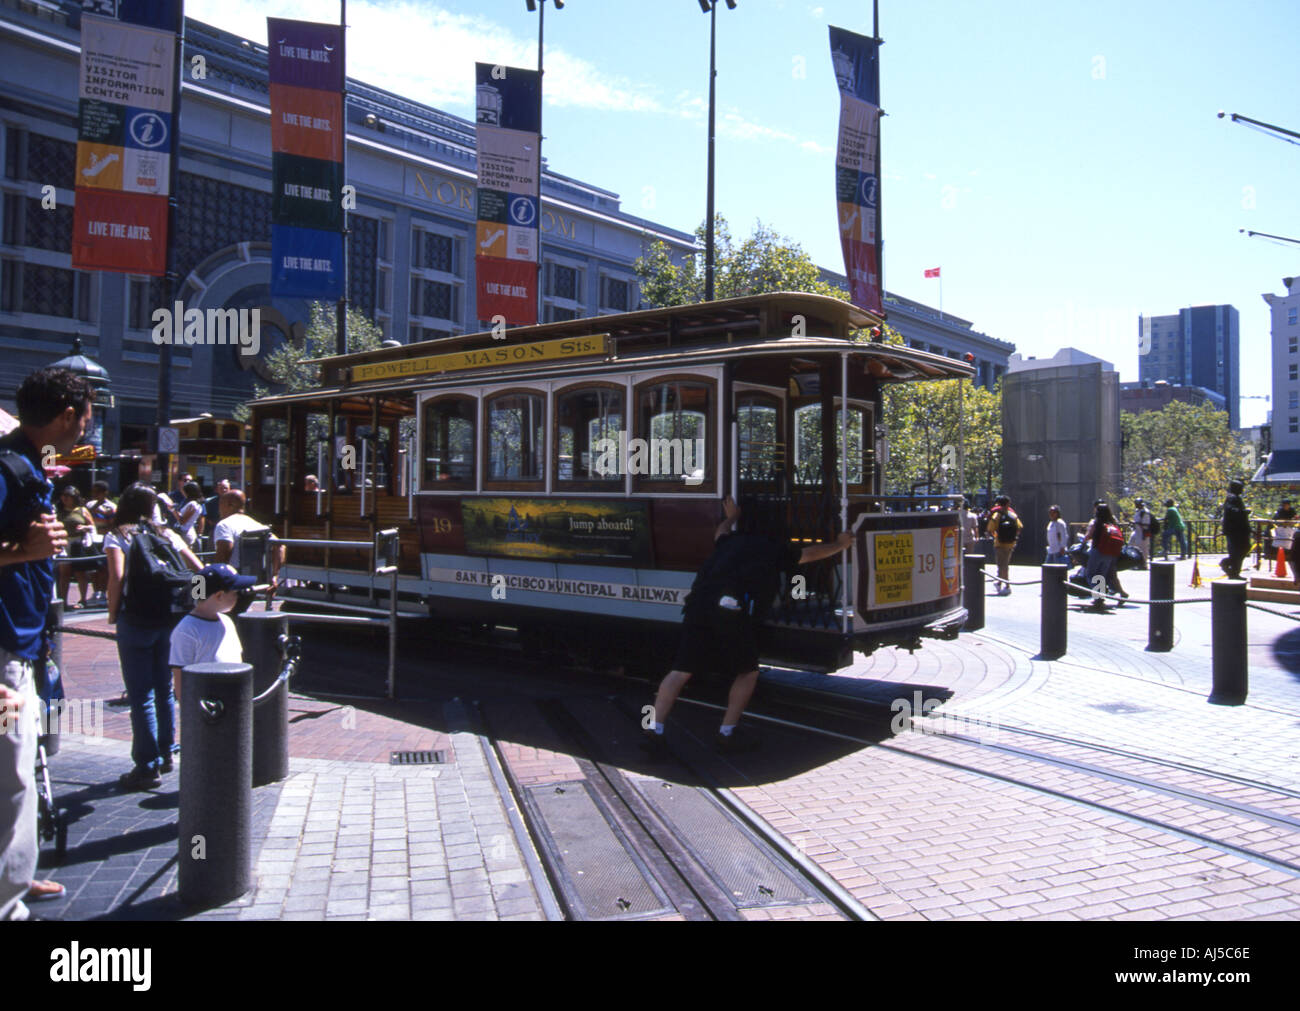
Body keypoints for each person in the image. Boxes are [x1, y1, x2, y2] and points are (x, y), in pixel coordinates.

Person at [646, 496, 854, 752]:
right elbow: (809, 554)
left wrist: (733, 516)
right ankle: (727, 733)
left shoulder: (730, 541)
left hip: (698, 603)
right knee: (747, 671)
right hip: (731, 609)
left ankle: (654, 729)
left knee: (681, 670)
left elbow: (720, 531)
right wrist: (840, 544)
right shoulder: (772, 548)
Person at [0, 367, 91, 922]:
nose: (86, 427)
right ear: (65, 415)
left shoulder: (27, 465)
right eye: (86, 416)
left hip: (23, 647)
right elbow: (20, 550)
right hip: (5, 652)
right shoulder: (7, 470)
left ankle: (14, 871)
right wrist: (21, 549)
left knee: (20, 771)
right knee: (10, 777)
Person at [105, 483, 203, 790]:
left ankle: (146, 767)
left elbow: (117, 578)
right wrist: (197, 603)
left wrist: (112, 613)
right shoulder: (167, 534)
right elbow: (199, 568)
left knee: (140, 694)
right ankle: (167, 752)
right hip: (171, 617)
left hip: (136, 619)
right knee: (164, 689)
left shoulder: (118, 535)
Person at [169, 563, 254, 705]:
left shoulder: (226, 621)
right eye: (234, 593)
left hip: (233, 701)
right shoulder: (186, 630)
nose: (238, 597)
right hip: (208, 709)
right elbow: (180, 684)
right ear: (219, 595)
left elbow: (237, 660)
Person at [212, 490, 283, 585]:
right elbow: (279, 546)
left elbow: (223, 554)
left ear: (230, 505)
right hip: (254, 579)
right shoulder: (256, 524)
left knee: (198, 588)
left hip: (232, 581)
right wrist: (274, 576)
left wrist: (216, 581)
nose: (218, 509)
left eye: (220, 504)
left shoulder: (224, 525)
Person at [55, 485, 95, 609]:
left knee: (80, 572)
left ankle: (83, 599)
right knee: (64, 574)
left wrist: (84, 528)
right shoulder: (58, 511)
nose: (65, 498)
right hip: (63, 543)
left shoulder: (82, 510)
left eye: (68, 496)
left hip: (77, 542)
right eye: (63, 495)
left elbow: (92, 526)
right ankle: (63, 601)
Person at [1082, 501, 1126, 608]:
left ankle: (1100, 596)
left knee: (1090, 574)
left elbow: (1088, 536)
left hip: (1098, 551)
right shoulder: (1111, 523)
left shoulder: (1097, 523)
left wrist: (1083, 541)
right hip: (1110, 553)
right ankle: (1099, 599)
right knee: (1100, 575)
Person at [85, 481, 115, 603]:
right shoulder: (90, 505)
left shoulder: (111, 507)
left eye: (97, 492)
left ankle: (103, 592)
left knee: (103, 567)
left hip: (104, 539)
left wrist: (101, 529)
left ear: (104, 493)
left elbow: (114, 526)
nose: (94, 494)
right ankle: (95, 591)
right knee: (93, 567)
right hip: (92, 539)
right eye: (93, 491)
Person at [986, 495, 1022, 595]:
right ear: (1008, 504)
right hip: (1010, 544)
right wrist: (1013, 536)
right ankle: (1000, 583)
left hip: (999, 543)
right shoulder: (1013, 515)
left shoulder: (996, 515)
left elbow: (990, 529)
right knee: (1004, 564)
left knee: (1002, 565)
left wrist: (996, 535)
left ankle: (1006, 585)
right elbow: (1019, 527)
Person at [1220, 480, 1252, 579]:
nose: (1242, 490)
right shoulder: (1232, 498)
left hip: (1239, 530)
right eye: (1240, 488)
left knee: (1242, 550)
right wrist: (1244, 512)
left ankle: (1234, 571)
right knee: (1239, 550)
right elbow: (1232, 511)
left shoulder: (1234, 498)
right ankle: (1228, 565)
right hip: (1236, 531)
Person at [202, 479, 230, 547]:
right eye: (221, 488)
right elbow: (206, 517)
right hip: (214, 531)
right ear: (216, 490)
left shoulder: (234, 501)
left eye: (225, 488)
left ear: (229, 489)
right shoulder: (209, 502)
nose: (224, 490)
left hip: (230, 531)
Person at [176, 481, 204, 548]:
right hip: (186, 532)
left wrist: (173, 510)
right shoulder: (195, 504)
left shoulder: (193, 504)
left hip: (185, 534)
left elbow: (182, 521)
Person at [1129, 499, 1153, 564]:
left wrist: (1137, 524)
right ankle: (1135, 562)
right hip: (1136, 532)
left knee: (1143, 548)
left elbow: (1146, 524)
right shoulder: (1138, 511)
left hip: (1143, 533)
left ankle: (1144, 563)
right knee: (1131, 545)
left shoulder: (1145, 512)